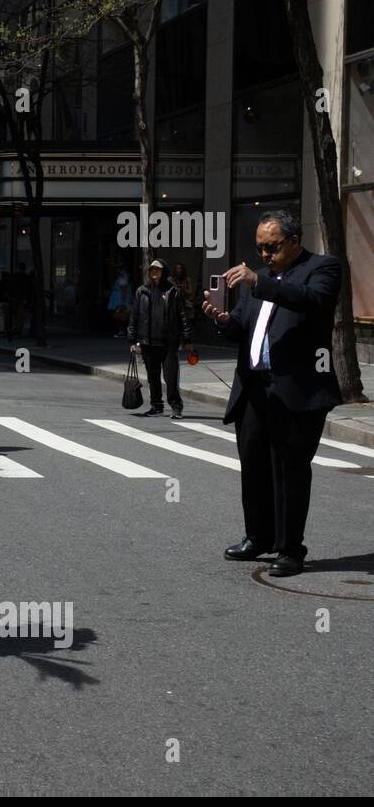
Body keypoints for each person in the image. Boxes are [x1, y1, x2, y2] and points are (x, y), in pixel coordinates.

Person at [202, 209, 343, 578]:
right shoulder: (260, 280)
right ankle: (258, 537)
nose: (264, 255)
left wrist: (258, 282)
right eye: (260, 248)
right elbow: (244, 330)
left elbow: (310, 302)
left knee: (291, 470)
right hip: (254, 388)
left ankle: (290, 548)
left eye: (272, 247)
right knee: (254, 466)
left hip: (298, 390)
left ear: (294, 241)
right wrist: (223, 321)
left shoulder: (322, 268)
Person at [126, 258, 194, 419]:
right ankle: (156, 406)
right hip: (148, 342)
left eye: (157, 270)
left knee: (170, 377)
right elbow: (134, 316)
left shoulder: (173, 291)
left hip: (169, 343)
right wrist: (132, 340)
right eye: (151, 270)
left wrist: (187, 340)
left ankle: (176, 407)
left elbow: (182, 316)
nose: (154, 273)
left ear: (164, 272)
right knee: (153, 377)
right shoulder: (142, 291)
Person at [107, 262, 132, 338]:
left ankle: (122, 331)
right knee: (119, 315)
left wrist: (123, 301)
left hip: (119, 299)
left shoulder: (123, 277)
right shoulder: (122, 276)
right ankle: (123, 331)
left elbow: (124, 289)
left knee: (120, 315)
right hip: (118, 298)